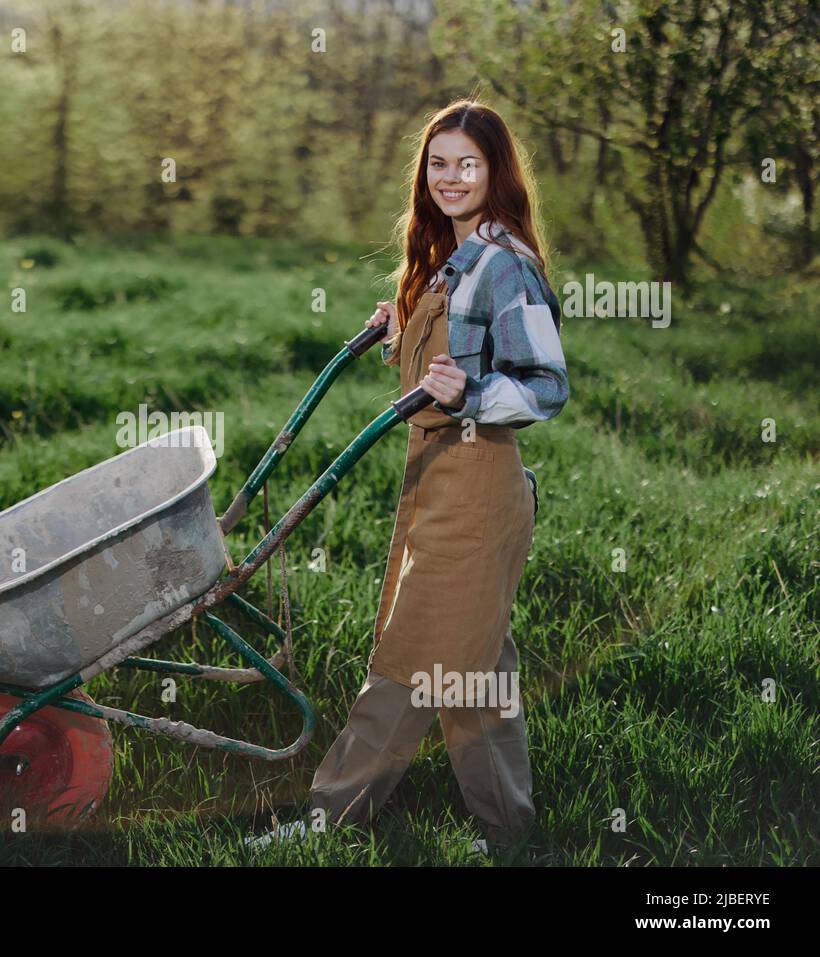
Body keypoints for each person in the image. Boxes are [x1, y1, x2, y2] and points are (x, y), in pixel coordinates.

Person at [249, 99, 568, 856]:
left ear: (496, 172)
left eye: (468, 163)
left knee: (408, 663)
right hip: (437, 478)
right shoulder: (452, 259)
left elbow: (546, 385)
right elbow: (446, 363)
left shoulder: (504, 265)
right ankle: (511, 829)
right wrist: (403, 328)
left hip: (478, 484)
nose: (450, 177)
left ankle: (328, 822)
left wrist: (475, 395)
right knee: (473, 663)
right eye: (438, 163)